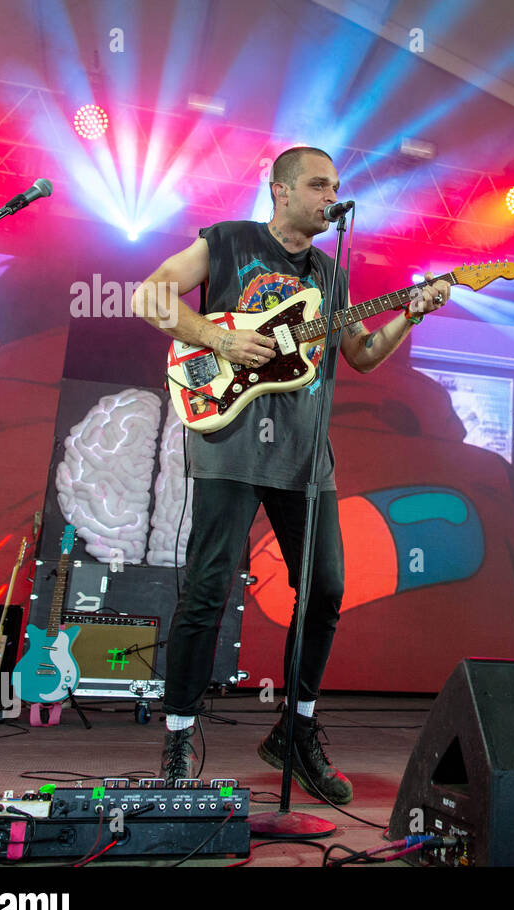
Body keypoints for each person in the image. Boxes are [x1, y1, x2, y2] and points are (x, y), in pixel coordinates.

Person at [130, 146, 450, 801]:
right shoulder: (229, 242)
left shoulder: (332, 277)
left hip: (305, 458)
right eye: (317, 185)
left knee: (327, 590)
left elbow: (359, 354)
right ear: (279, 190)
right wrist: (219, 339)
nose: (329, 196)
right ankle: (179, 735)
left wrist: (411, 312)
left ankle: (296, 729)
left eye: (335, 186)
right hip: (230, 442)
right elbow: (150, 295)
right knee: (207, 592)